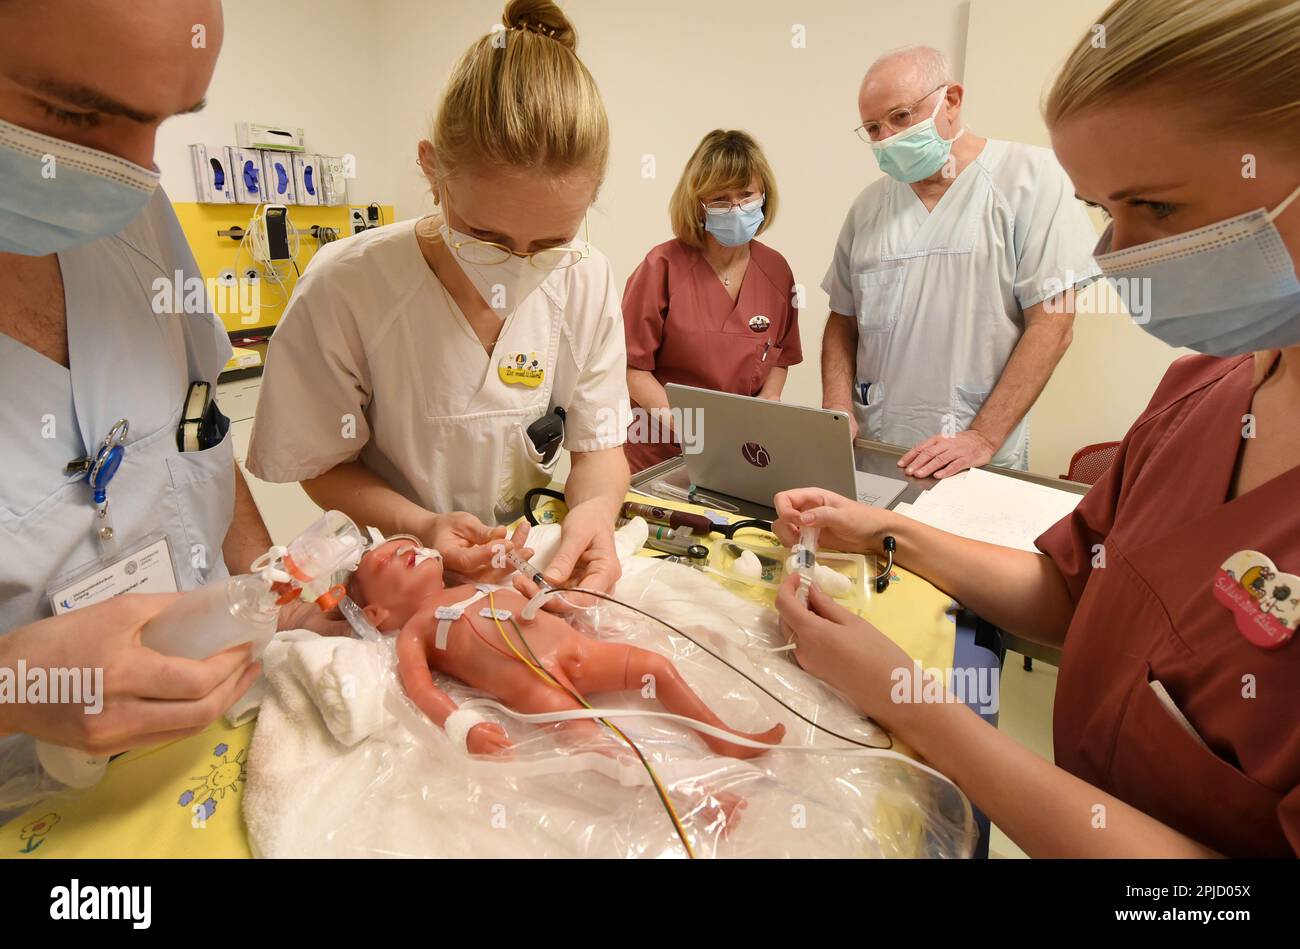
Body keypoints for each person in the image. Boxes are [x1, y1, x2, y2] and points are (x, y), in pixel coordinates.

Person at [775, 0, 1300, 857]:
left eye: (1157, 209)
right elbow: (1073, 593)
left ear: (951, 102)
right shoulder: (1196, 394)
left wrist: (914, 704)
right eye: (1102, 209)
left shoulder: (1013, 186)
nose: (1108, 255)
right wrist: (891, 532)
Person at [247, 0, 630, 602]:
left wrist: (595, 515)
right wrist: (420, 525)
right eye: (487, 238)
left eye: (551, 243)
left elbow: (599, 449)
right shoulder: (348, 286)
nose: (516, 267)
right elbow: (321, 463)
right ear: (432, 170)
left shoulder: (586, 278)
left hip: (528, 573)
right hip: (397, 580)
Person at [0, 0, 271, 796]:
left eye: (165, 121)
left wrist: (283, 591)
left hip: (207, 754)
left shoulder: (126, 203)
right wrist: (16, 684)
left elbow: (201, 428)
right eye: (76, 112)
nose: (134, 171)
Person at [821, 45, 1100, 478]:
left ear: (950, 100)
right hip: (875, 445)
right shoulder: (868, 208)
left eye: (900, 117)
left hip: (973, 454)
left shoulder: (1031, 179)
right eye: (873, 128)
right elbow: (842, 321)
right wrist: (837, 409)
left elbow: (1053, 324)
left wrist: (984, 436)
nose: (887, 138)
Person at [622, 130, 802, 473]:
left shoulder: (776, 271)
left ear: (763, 195)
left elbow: (782, 355)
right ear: (698, 204)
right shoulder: (661, 268)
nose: (736, 208)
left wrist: (769, 402)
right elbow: (632, 367)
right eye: (720, 199)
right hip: (658, 453)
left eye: (746, 195)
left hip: (738, 451)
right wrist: (687, 428)